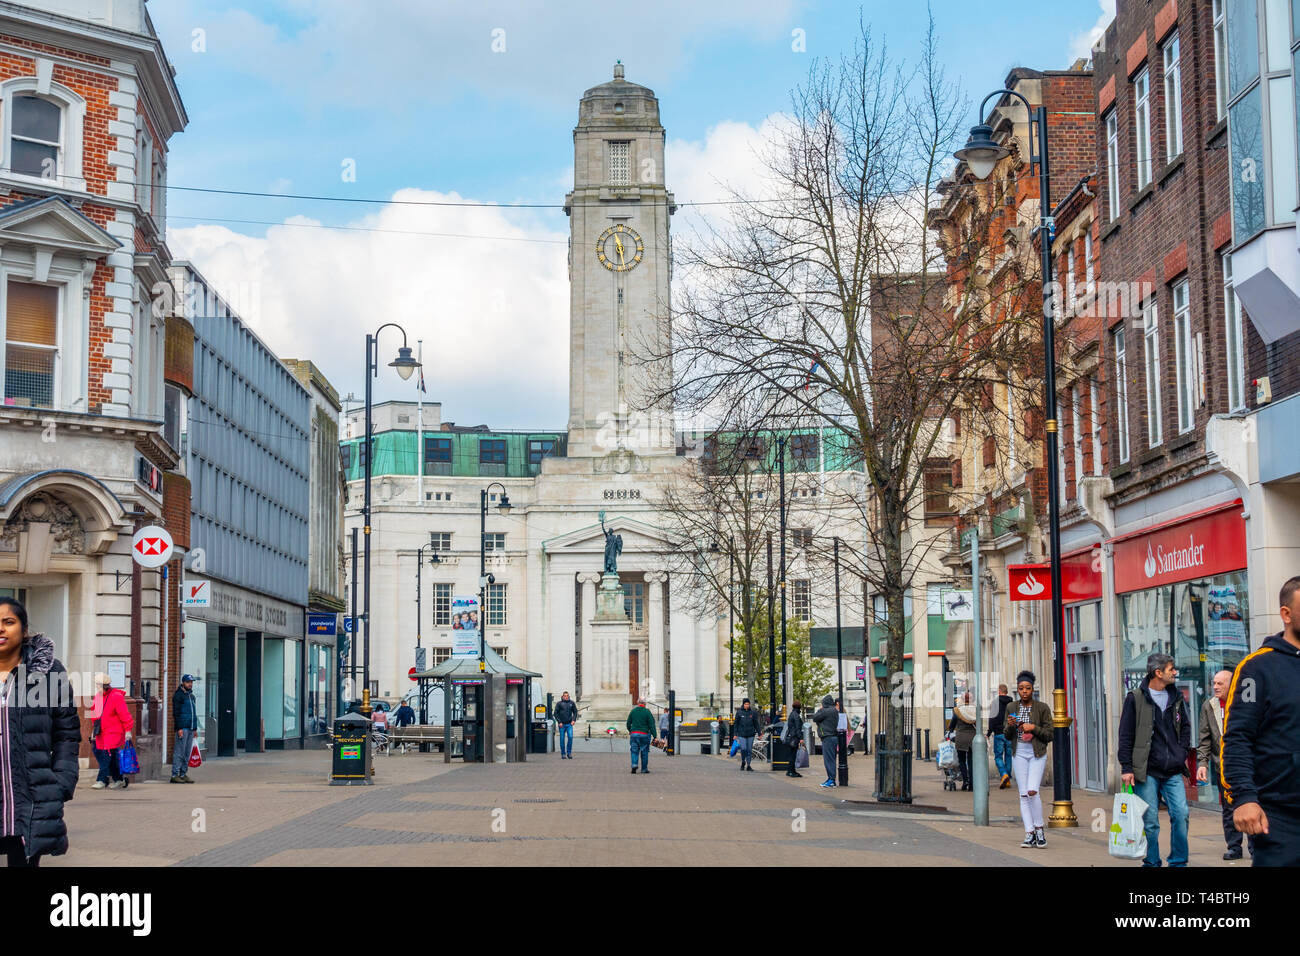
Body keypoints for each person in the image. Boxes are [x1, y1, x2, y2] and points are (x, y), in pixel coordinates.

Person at [1222, 576, 1300, 867]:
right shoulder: (1257, 669)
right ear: (1286, 614)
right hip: (1279, 819)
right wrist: (1243, 798)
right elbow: (1237, 738)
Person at [0, 598, 79, 867]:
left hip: (32, 797)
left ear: (23, 630)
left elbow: (66, 732)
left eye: (8, 622)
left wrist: (62, 781)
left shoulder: (47, 673)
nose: (1, 629)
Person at [1118, 652, 1191, 867]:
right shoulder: (1135, 697)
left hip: (1172, 769)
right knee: (1150, 821)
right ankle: (1152, 862)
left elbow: (1185, 727)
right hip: (1146, 770)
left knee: (1181, 814)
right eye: (1171, 669)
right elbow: (1125, 734)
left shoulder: (1175, 696)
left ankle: (1178, 861)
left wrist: (1181, 753)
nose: (1175, 672)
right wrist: (1126, 767)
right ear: (1158, 673)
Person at [1196, 669, 1243, 860]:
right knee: (1228, 808)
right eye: (1214, 683)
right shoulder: (1210, 705)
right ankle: (1234, 847)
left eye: (1219, 683)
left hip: (1245, 763)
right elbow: (1205, 738)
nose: (1215, 687)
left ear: (1231, 684)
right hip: (1222, 766)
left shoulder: (1242, 703)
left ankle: (1257, 847)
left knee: (1251, 803)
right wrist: (1202, 763)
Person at [1005, 670, 1053, 848]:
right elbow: (1007, 734)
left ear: (1033, 689)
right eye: (1021, 688)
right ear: (1017, 690)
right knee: (1023, 794)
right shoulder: (1011, 707)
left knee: (1033, 791)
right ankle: (1029, 832)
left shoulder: (1042, 708)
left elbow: (1050, 734)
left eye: (1028, 688)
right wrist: (1010, 726)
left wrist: (1033, 728)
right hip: (1019, 753)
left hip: (1037, 753)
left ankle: (1040, 829)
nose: (1024, 691)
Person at [89, 672, 133, 790]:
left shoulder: (116, 696)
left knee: (106, 755)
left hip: (113, 732)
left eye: (98, 685)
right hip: (101, 732)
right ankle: (119, 779)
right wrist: (94, 730)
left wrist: (128, 730)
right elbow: (95, 715)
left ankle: (102, 780)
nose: (96, 687)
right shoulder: (98, 696)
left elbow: (124, 715)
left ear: (103, 685)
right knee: (111, 756)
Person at [170, 674, 199, 784]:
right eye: (188, 682)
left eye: (191, 682)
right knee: (179, 752)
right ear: (183, 682)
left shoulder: (191, 696)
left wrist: (195, 728)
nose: (190, 684)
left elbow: (193, 713)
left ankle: (183, 773)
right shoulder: (178, 696)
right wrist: (179, 728)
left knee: (187, 752)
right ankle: (175, 774)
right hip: (183, 728)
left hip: (190, 728)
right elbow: (176, 713)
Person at [947, 693, 976, 791]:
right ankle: (972, 784)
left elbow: (952, 724)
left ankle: (965, 781)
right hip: (973, 738)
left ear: (963, 699)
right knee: (972, 762)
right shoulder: (976, 710)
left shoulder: (957, 710)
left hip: (961, 738)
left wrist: (950, 730)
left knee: (962, 761)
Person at [989, 683, 1014, 789]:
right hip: (1009, 733)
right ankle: (1007, 778)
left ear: (999, 691)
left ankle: (1004, 774)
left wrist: (989, 732)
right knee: (1008, 756)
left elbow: (992, 719)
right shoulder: (1012, 703)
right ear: (1007, 692)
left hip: (999, 733)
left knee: (998, 756)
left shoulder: (995, 703)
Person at [812, 695, 839, 789]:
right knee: (832, 759)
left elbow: (815, 718)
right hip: (833, 736)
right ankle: (830, 779)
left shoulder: (825, 711)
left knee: (828, 760)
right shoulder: (834, 710)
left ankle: (831, 780)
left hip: (827, 737)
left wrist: (820, 709)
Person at [626, 697, 656, 774]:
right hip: (644, 734)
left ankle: (634, 764)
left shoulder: (633, 711)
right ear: (645, 703)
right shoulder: (647, 712)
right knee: (644, 752)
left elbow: (628, 723)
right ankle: (644, 769)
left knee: (634, 750)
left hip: (634, 734)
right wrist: (655, 735)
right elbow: (651, 724)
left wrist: (630, 730)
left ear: (637, 702)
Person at [733, 698, 761, 771]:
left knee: (749, 750)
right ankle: (743, 762)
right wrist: (735, 734)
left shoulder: (753, 712)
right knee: (743, 748)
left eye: (748, 704)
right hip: (741, 734)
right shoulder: (739, 712)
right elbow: (736, 724)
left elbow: (756, 724)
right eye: (745, 704)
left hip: (750, 734)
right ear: (743, 704)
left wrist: (759, 733)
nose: (747, 705)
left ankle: (748, 765)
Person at [782, 700, 804, 777]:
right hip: (794, 738)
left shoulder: (792, 714)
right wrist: (801, 738)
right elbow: (798, 728)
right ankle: (791, 771)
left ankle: (791, 770)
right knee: (792, 755)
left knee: (792, 755)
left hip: (791, 737)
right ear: (799, 707)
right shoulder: (796, 715)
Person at [555, 691, 578, 759]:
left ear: (569, 696)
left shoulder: (572, 703)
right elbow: (555, 713)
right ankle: (563, 754)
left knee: (570, 737)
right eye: (565, 696)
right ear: (562, 696)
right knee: (562, 739)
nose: (566, 697)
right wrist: (559, 722)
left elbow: (575, 712)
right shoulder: (559, 703)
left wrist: (573, 720)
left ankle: (569, 753)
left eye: (567, 695)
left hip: (569, 724)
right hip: (562, 725)